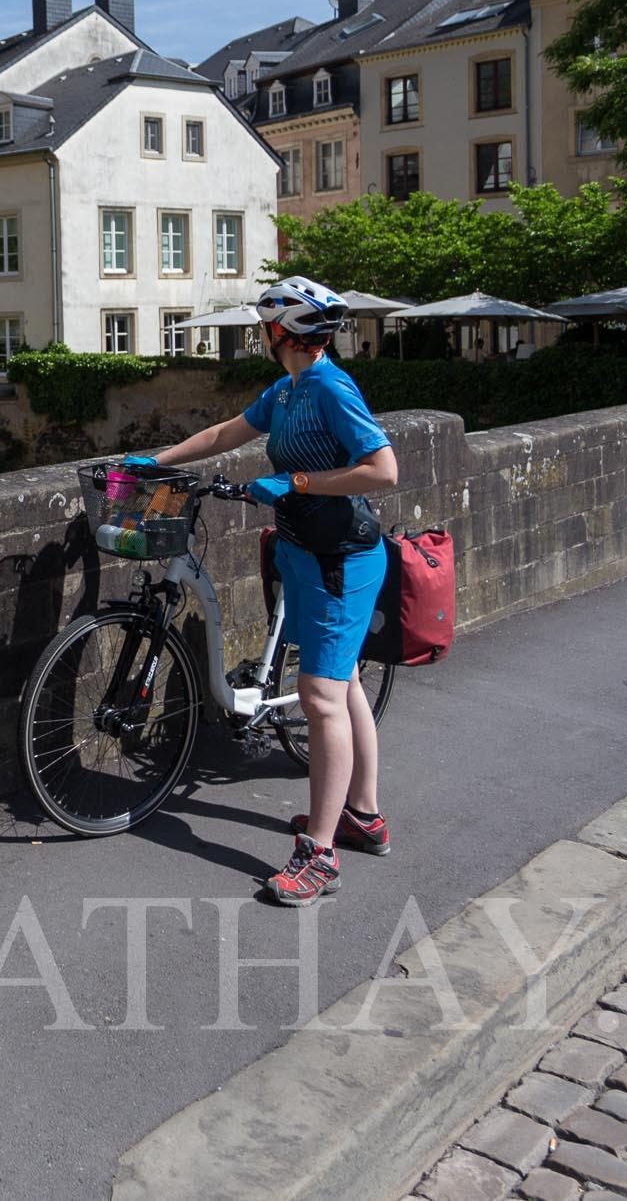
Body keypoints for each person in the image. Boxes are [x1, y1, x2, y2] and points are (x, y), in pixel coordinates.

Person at [128, 276, 398, 905]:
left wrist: (297, 481)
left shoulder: (330, 387)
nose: (261, 335)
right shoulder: (289, 389)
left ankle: (321, 856)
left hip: (341, 558)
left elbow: (383, 470)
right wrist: (162, 462)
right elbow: (228, 432)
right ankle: (363, 814)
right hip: (305, 552)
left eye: (265, 327)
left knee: (321, 696)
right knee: (347, 685)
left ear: (282, 332)